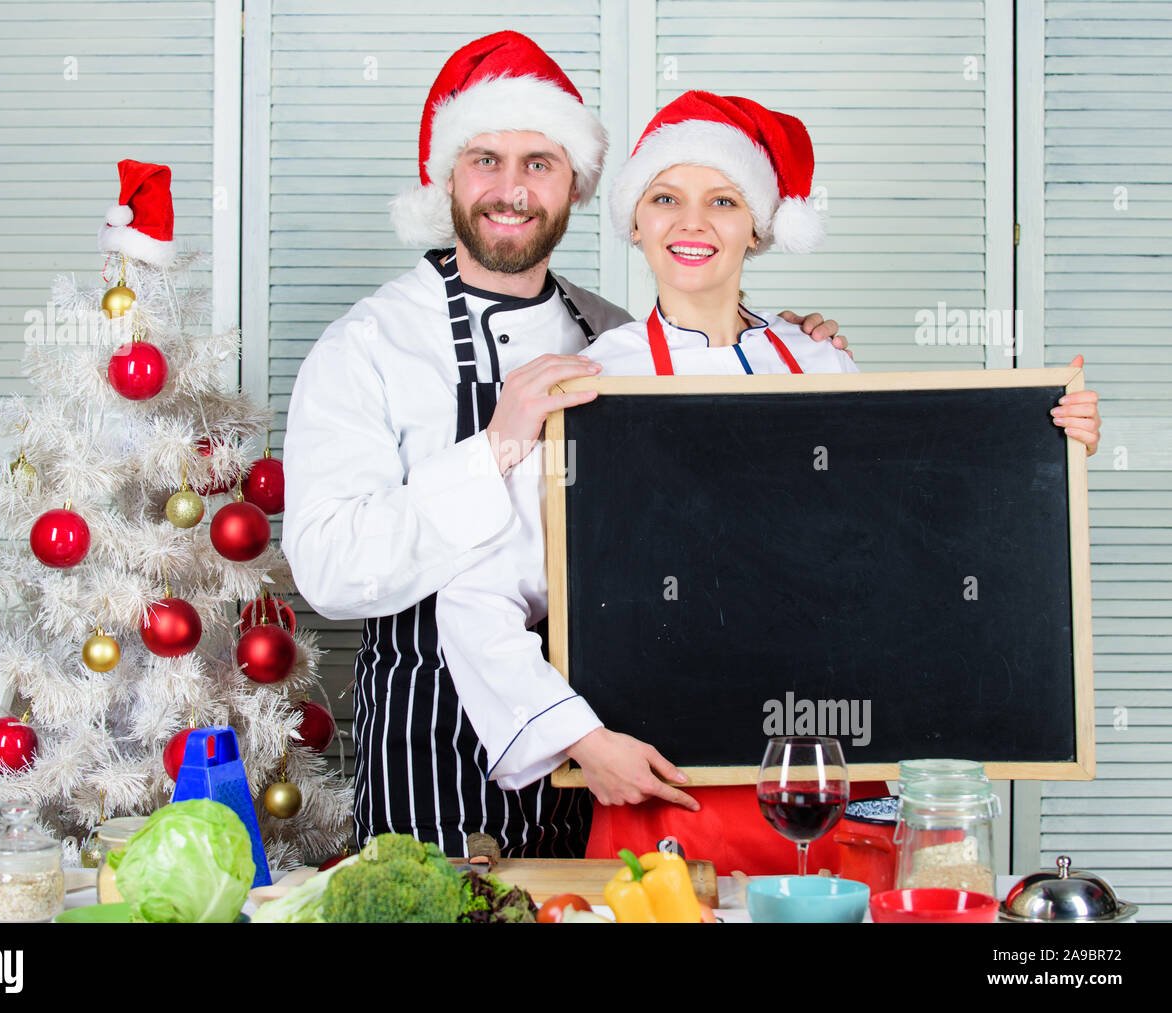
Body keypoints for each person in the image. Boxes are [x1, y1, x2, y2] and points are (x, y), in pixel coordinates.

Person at [434, 90, 1103, 876]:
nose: (692, 222)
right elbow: (475, 596)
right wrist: (582, 740)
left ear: (757, 227)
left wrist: (1039, 447)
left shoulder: (822, 365)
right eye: (665, 198)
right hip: (667, 797)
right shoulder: (586, 387)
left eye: (723, 200)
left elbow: (922, 548)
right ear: (634, 222)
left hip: (838, 787)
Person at [282, 33, 850, 859]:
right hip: (431, 743)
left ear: (576, 185)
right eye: (485, 159)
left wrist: (796, 349)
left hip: (622, 741)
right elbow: (332, 570)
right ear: (447, 177)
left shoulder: (608, 340)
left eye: (539, 163)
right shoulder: (368, 343)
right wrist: (495, 445)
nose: (512, 189)